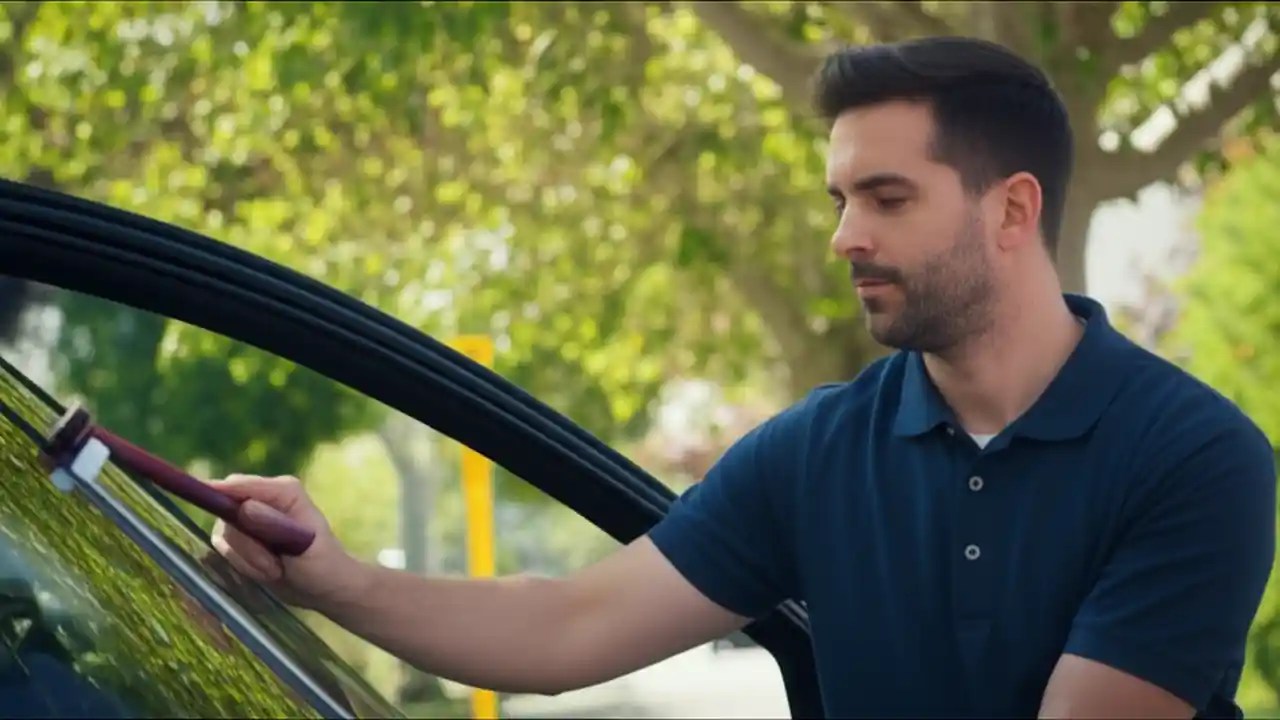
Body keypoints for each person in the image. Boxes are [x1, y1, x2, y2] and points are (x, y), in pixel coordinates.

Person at [211, 36, 1276, 718]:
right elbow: (567, 629)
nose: (844, 237)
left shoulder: (1194, 459)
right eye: (837, 199)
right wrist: (334, 579)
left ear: (1009, 209)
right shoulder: (815, 452)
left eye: (887, 197)